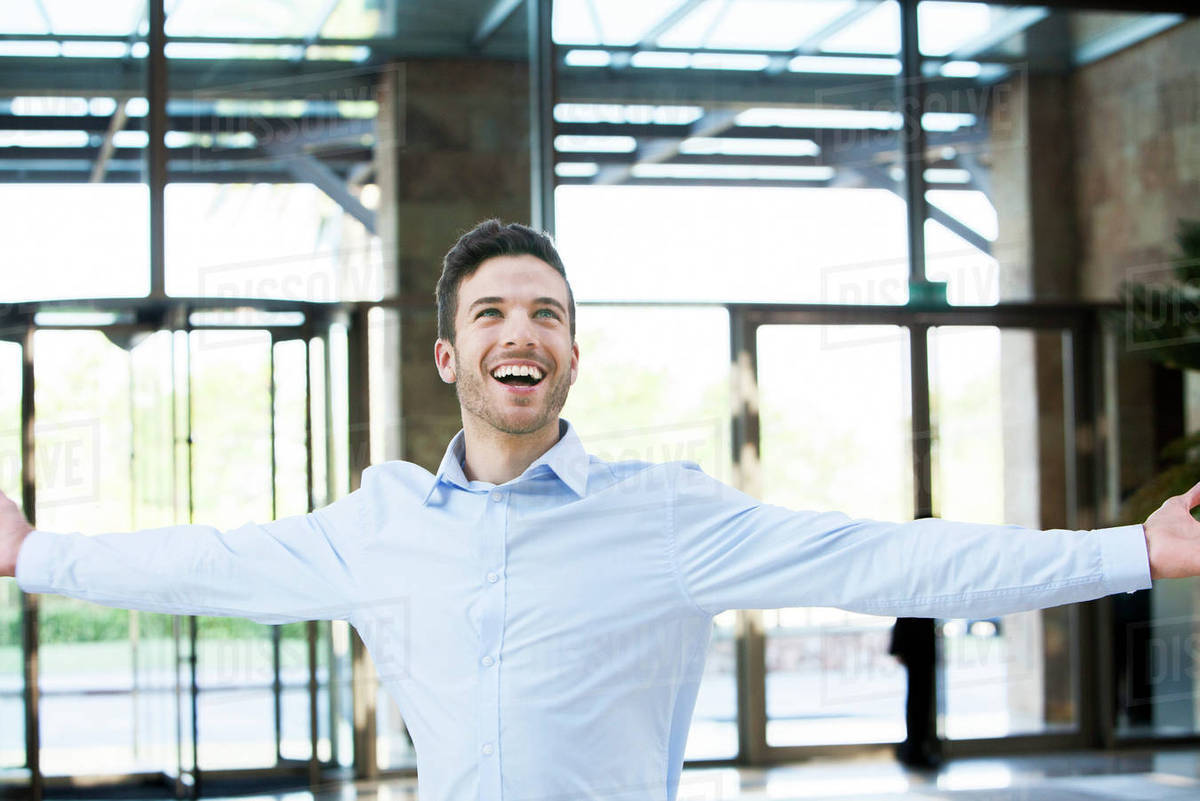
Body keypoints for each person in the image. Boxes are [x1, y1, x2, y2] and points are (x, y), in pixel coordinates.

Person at [2, 219, 1200, 801]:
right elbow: (206, 564)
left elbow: (886, 560)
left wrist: (1133, 550)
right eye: (491, 313)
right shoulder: (374, 527)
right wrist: (34, 553)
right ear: (447, 356)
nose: (520, 331)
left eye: (546, 314)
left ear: (571, 353)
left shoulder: (667, 517)